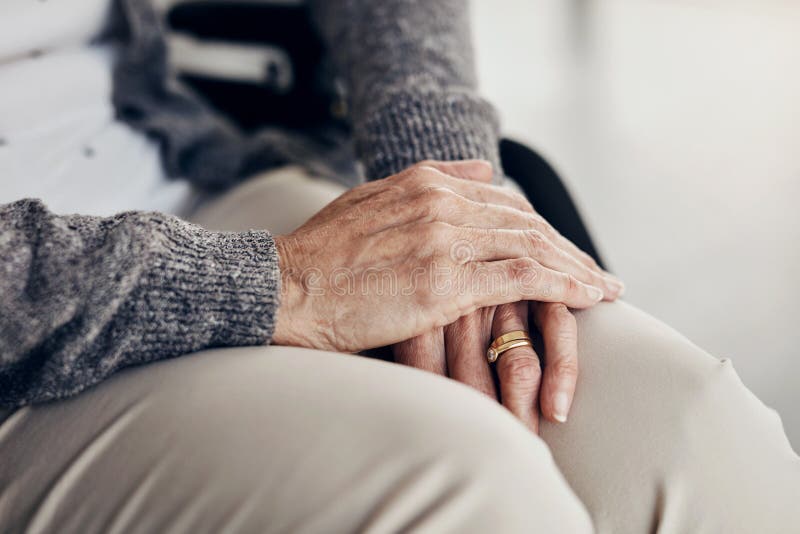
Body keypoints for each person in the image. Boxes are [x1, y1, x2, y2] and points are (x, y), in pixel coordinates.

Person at [1, 1, 798, 533]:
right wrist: (278, 282)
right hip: (35, 338)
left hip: (181, 177)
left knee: (690, 432)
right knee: (466, 491)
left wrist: (445, 194)